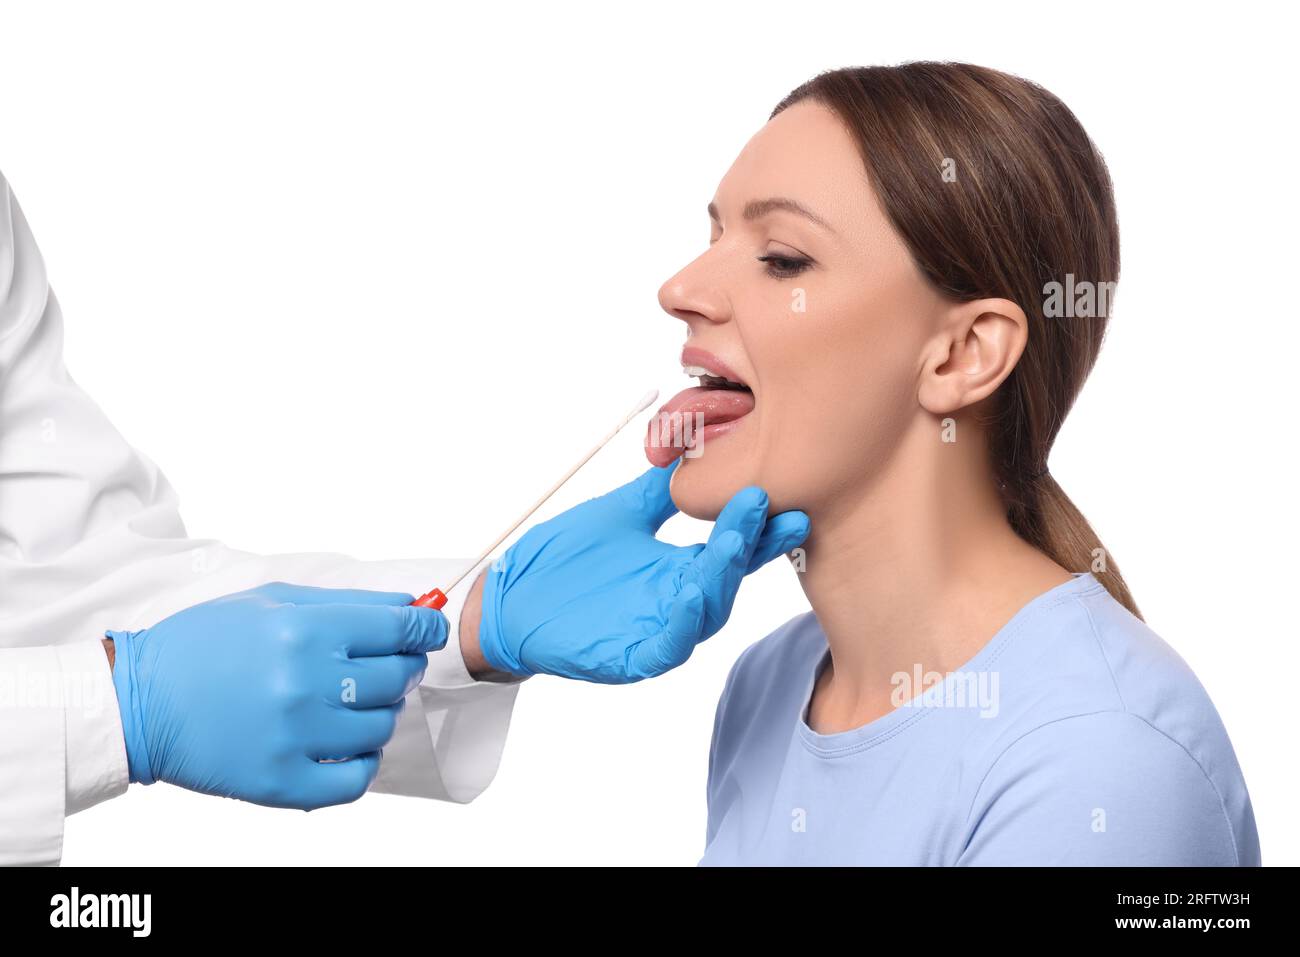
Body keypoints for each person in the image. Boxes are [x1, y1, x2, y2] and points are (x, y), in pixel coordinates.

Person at [0, 169, 809, 866]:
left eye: (783, 258)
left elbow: (67, 572)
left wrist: (474, 619)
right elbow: (117, 662)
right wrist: (114, 708)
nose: (678, 290)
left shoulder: (813, 705)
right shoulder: (772, 702)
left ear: (945, 358)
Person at [639, 63, 1261, 865]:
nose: (680, 288)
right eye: (714, 235)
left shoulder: (1100, 760)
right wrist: (476, 640)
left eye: (783, 258)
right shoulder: (770, 683)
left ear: (964, 354)